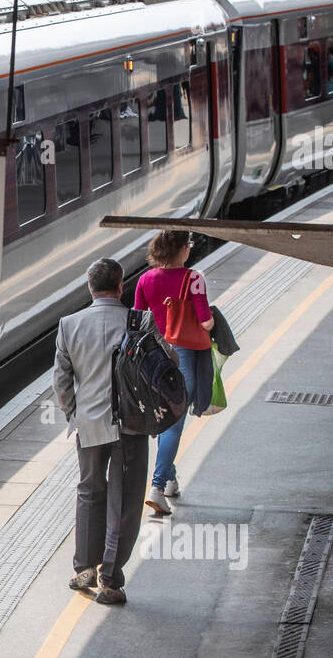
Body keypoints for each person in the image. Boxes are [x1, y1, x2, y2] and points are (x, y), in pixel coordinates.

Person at [52, 259, 150, 605]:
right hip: (132, 425)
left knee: (90, 491)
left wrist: (73, 413)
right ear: (121, 286)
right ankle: (110, 580)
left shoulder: (69, 325)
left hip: (90, 423)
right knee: (125, 500)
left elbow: (61, 382)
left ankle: (84, 570)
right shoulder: (140, 322)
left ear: (89, 287)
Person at [133, 230, 214, 515]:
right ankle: (156, 487)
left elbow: (138, 321)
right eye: (188, 245)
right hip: (182, 357)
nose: (189, 250)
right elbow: (205, 323)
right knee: (174, 422)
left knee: (163, 419)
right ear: (181, 250)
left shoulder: (145, 279)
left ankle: (169, 479)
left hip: (153, 359)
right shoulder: (194, 279)